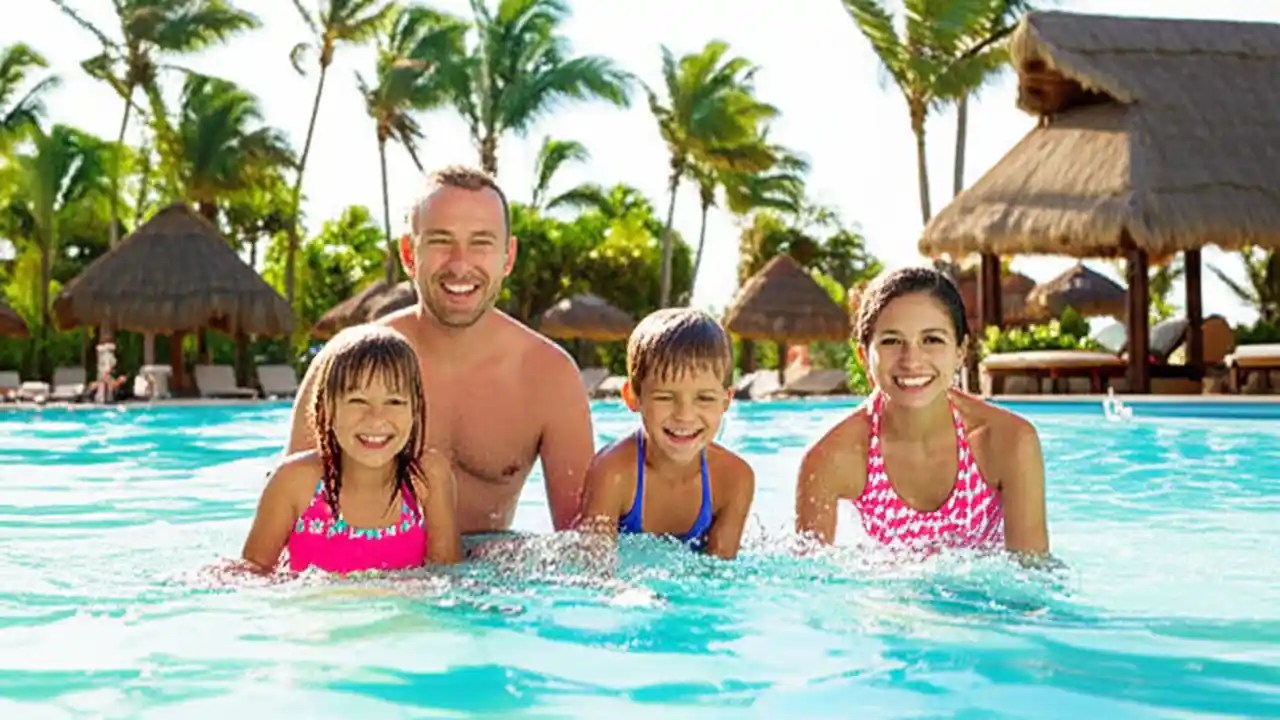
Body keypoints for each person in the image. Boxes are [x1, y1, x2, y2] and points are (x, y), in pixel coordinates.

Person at [284, 166, 595, 536]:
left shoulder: (548, 376)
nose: (460, 264)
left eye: (481, 242)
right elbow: (290, 517)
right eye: (440, 240)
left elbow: (584, 543)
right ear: (408, 253)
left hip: (490, 581)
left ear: (508, 256)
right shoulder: (345, 364)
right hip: (375, 582)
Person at [795, 266, 1049, 556]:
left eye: (932, 340)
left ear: (960, 352)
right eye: (892, 341)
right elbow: (810, 587)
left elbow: (1033, 575)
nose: (911, 360)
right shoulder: (831, 458)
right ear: (864, 357)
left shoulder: (1009, 442)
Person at [242, 325, 461, 573]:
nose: (377, 418)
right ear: (326, 409)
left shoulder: (427, 479)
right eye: (358, 401)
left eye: (395, 402)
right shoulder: (294, 482)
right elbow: (253, 574)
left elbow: (447, 577)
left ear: (415, 409)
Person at [576, 308, 756, 560]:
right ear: (633, 397)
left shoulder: (734, 480)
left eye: (704, 398)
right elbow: (594, 574)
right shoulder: (614, 473)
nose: (684, 415)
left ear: (726, 400)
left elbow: (719, 578)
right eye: (665, 397)